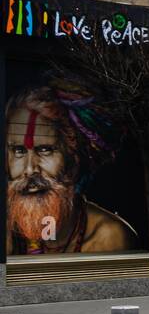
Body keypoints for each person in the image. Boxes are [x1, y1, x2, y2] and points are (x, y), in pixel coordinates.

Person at [5, 85, 137, 255]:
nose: (30, 169)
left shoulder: (110, 237)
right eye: (18, 150)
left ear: (73, 157)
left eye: (45, 150)